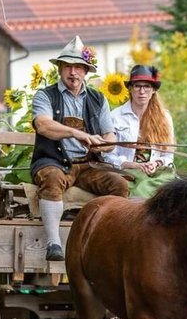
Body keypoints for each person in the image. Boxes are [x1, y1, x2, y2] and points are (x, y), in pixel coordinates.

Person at [30, 37, 129, 263]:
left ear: (86, 71)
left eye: (78, 67)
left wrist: (105, 144)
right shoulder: (45, 95)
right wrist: (77, 133)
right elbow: (43, 125)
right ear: (60, 69)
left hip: (88, 165)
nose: (72, 72)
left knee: (119, 185)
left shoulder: (98, 98)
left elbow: (110, 135)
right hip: (54, 161)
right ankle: (54, 243)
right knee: (52, 179)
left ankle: (110, 239)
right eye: (68, 67)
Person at [110, 64, 177, 198]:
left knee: (179, 191)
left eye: (146, 86)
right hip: (127, 173)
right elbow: (108, 155)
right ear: (130, 88)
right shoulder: (115, 117)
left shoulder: (164, 117)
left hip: (158, 173)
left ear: (153, 90)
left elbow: (168, 155)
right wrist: (131, 164)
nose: (142, 91)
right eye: (137, 86)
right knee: (139, 190)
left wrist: (156, 163)